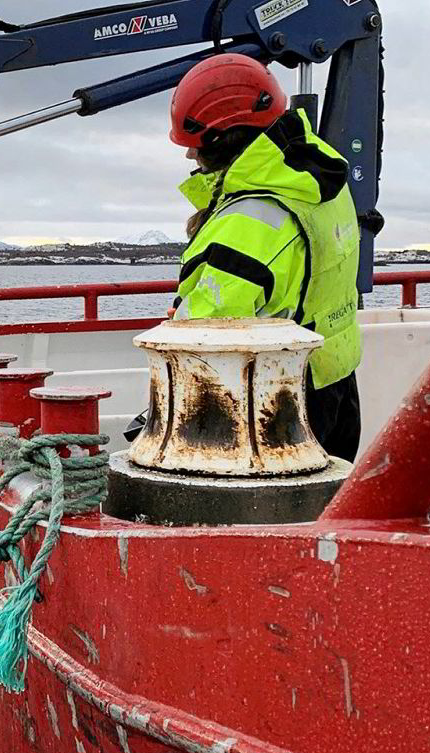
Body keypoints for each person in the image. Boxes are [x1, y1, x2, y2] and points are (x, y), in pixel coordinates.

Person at [168, 53, 363, 461]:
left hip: (280, 407)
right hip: (335, 383)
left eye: (195, 145)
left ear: (223, 140)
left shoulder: (247, 223)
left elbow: (200, 343)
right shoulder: (319, 180)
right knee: (327, 498)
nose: (189, 157)